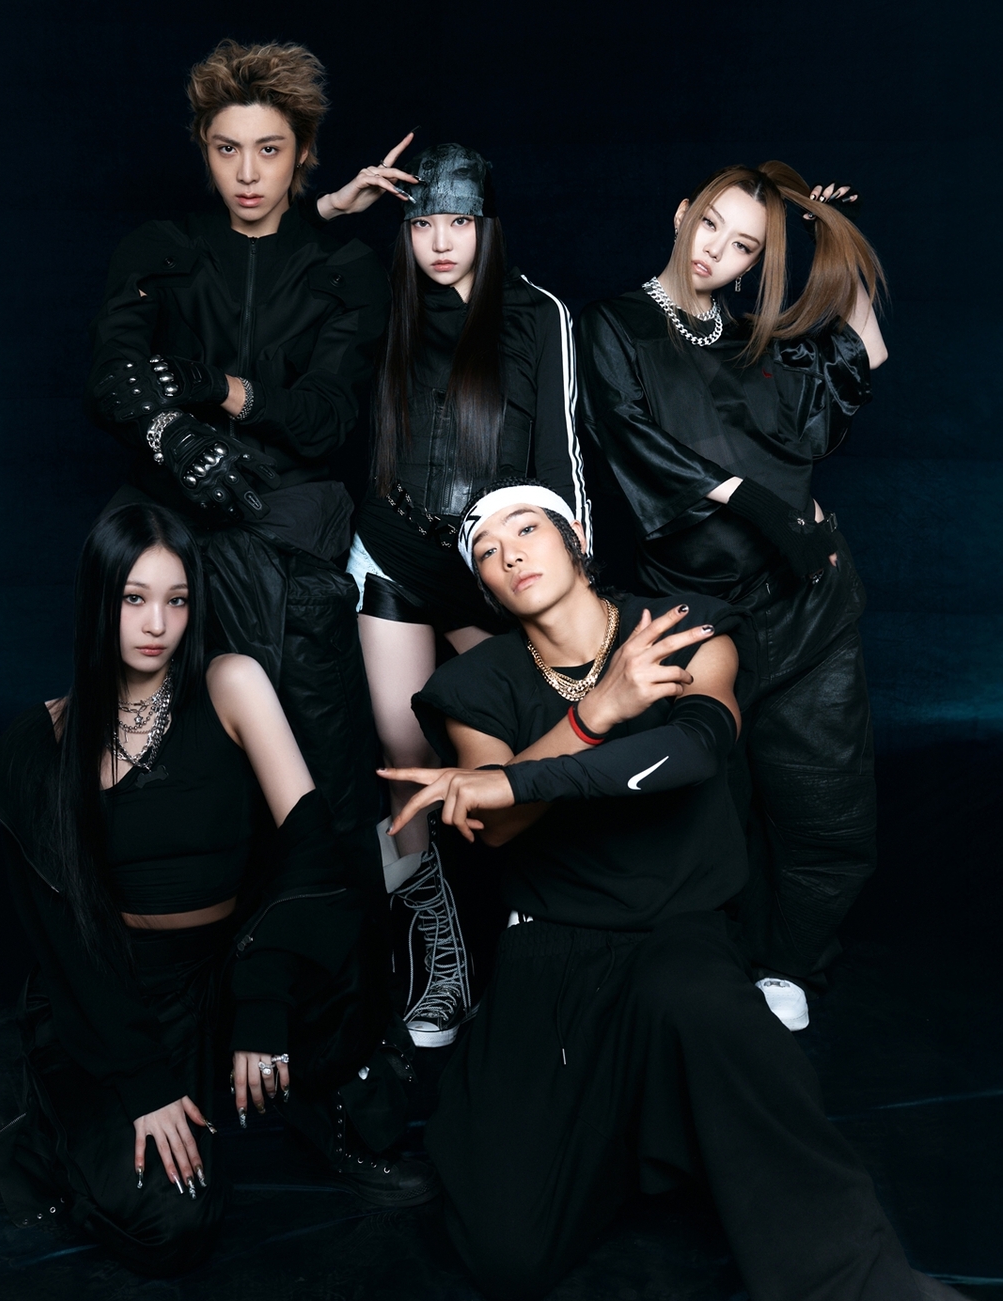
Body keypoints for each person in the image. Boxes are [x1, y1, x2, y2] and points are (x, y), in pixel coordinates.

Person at [382, 483, 962, 1301]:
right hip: (550, 944)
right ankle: (637, 1139)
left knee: (703, 1002)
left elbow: (695, 749)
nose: (510, 553)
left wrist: (525, 770)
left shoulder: (684, 625)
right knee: (505, 1254)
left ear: (576, 538)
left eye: (527, 528)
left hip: (678, 935)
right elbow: (500, 826)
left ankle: (862, 1283)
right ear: (483, 588)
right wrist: (593, 715)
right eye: (486, 550)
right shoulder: (476, 683)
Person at [0, 505, 436, 1277]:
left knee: (344, 911)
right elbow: (67, 948)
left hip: (232, 964)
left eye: (177, 599)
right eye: (134, 598)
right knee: (175, 1228)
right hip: (122, 995)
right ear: (99, 600)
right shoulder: (43, 742)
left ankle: (333, 1113)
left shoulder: (230, 682)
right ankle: (59, 1134)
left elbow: (310, 846)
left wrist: (263, 1002)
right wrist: (144, 1086)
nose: (157, 623)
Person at [84, 37, 419, 841]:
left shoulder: (345, 271)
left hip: (288, 520)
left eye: (268, 150)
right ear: (204, 149)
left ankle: (331, 890)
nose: (246, 173)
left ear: (302, 153)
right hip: (166, 506)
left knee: (315, 725)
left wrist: (213, 387)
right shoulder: (159, 249)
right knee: (136, 672)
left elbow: (325, 419)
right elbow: (113, 379)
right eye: (225, 148)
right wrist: (170, 433)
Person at [578, 163, 887, 1030]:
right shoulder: (614, 325)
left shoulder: (761, 339)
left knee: (824, 795)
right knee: (709, 795)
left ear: (757, 261)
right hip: (698, 609)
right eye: (710, 223)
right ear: (682, 212)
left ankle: (790, 965)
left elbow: (864, 352)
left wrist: (830, 241)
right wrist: (757, 505)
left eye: (745, 244)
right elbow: (629, 437)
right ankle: (708, 960)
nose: (716, 250)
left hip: (808, 603)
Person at [345, 142, 589, 1047]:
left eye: (458, 222)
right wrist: (333, 210)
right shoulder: (381, 304)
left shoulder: (538, 314)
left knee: (521, 761)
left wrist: (571, 586)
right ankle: (436, 962)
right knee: (406, 758)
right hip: (394, 557)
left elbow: (563, 459)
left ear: (486, 224)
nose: (441, 242)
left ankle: (539, 942)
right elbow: (292, 277)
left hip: (491, 572)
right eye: (423, 225)